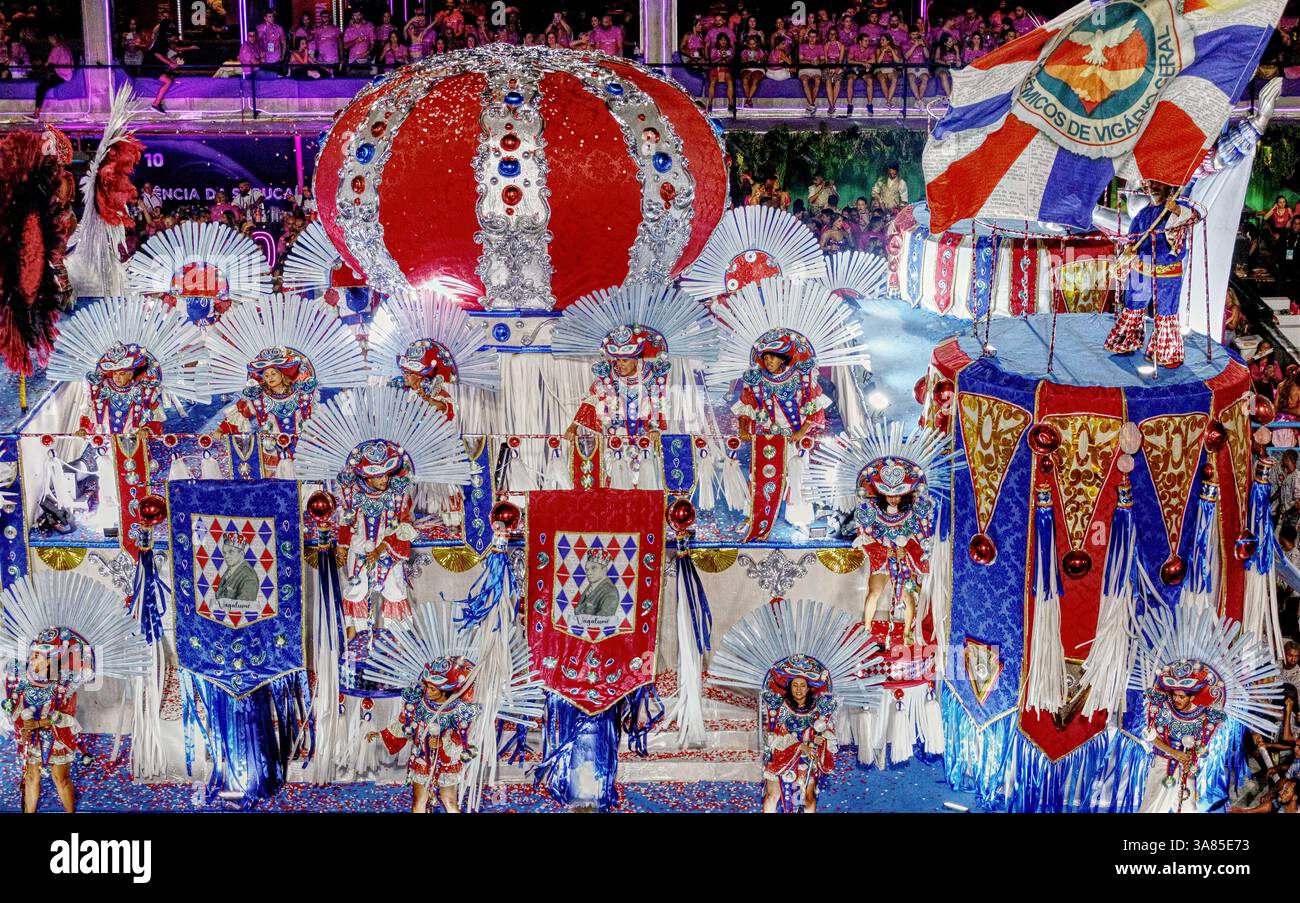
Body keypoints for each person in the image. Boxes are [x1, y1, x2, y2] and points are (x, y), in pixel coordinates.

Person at [367, 657, 478, 813]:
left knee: (449, 801)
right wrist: (380, 733)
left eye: (432, 689)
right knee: (419, 801)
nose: (427, 691)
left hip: (446, 764)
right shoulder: (420, 703)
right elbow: (404, 724)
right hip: (422, 761)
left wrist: (441, 744)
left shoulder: (458, 710)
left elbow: (462, 741)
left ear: (445, 691)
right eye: (427, 686)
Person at [1104, 180, 1195, 368]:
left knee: (1166, 312)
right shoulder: (1143, 214)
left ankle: (1167, 354)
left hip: (1167, 272)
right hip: (1142, 268)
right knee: (1133, 306)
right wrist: (1129, 248)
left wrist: (1176, 209)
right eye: (1151, 183)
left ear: (1169, 186)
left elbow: (1193, 216)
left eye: (1159, 184)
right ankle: (1126, 342)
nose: (1153, 187)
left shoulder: (1178, 206)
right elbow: (1132, 237)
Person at [337, 439, 418, 637]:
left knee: (395, 591)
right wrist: (342, 545)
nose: (385, 480)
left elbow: (404, 528)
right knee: (356, 591)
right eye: (380, 476)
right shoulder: (353, 495)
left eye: (387, 474)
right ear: (367, 477)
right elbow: (346, 521)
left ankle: (399, 640)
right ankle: (352, 638)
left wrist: (381, 549)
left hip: (388, 552)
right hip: (359, 551)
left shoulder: (397, 496)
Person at [4, 632, 83, 812]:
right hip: (33, 738)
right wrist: (13, 712)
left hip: (58, 738)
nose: (31, 660)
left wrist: (38, 724)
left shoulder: (63, 685)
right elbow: (16, 710)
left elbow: (66, 718)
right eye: (31, 655)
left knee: (60, 778)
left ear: (48, 661)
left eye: (36, 656)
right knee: (32, 777)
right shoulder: (24, 681)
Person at [761, 667, 836, 813]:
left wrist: (821, 740)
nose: (799, 689)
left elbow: (826, 732)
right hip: (781, 758)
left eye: (803, 686)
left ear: (808, 688)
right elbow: (774, 735)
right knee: (772, 795)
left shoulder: (817, 710)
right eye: (795, 685)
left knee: (808, 798)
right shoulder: (781, 708)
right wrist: (800, 746)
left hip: (805, 761)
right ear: (790, 687)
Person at [734, 336, 828, 442]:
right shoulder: (757, 379)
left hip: (795, 439)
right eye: (765, 358)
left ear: (782, 359)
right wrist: (742, 429)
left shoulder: (799, 376)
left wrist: (801, 432)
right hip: (768, 440)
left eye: (772, 357)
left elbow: (814, 408)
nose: (768, 362)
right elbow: (747, 406)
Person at [143, 17, 180, 113]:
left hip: (153, 66)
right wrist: (169, 63)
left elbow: (161, 54)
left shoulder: (163, 40)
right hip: (150, 67)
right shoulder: (161, 41)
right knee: (168, 81)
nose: (176, 39)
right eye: (174, 36)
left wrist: (170, 61)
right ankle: (156, 104)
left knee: (170, 77)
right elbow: (157, 54)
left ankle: (158, 103)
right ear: (169, 35)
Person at [32, 32, 73, 119]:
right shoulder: (64, 47)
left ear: (54, 38)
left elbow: (49, 63)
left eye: (50, 38)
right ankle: (36, 113)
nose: (49, 40)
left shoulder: (57, 49)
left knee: (41, 88)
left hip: (62, 75)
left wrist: (40, 64)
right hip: (66, 73)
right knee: (43, 83)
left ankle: (36, 114)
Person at [213, 534, 258, 603]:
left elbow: (245, 606)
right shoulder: (230, 570)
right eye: (224, 553)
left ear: (242, 554)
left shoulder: (249, 576)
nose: (226, 556)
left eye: (231, 552)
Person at [796, 25, 825, 116]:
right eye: (810, 37)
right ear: (807, 37)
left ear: (817, 38)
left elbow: (823, 59)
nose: (812, 39)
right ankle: (812, 105)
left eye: (814, 37)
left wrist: (819, 62)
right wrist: (810, 61)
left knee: (817, 80)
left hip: (816, 69)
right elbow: (801, 60)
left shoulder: (820, 47)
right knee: (805, 80)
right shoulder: (802, 46)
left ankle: (811, 107)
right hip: (804, 69)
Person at [845, 32, 875, 115]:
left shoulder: (870, 49)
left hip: (864, 70)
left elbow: (873, 60)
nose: (867, 43)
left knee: (870, 80)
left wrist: (862, 64)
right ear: (860, 42)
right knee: (850, 79)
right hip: (854, 68)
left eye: (868, 41)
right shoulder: (853, 47)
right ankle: (850, 105)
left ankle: (869, 105)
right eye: (865, 41)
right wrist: (862, 63)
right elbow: (849, 60)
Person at [706, 32, 735, 114]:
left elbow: (729, 62)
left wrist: (725, 58)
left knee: (730, 80)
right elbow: (712, 61)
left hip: (725, 70)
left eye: (725, 40)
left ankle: (730, 103)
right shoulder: (714, 50)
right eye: (721, 40)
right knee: (713, 82)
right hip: (715, 69)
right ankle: (710, 104)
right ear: (718, 41)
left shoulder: (730, 50)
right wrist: (721, 58)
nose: (723, 42)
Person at [737, 34, 766, 108]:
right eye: (750, 44)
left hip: (758, 68)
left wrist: (759, 61)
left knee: (755, 79)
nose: (752, 45)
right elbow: (742, 61)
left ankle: (748, 99)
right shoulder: (744, 52)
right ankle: (748, 100)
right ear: (747, 44)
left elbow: (762, 61)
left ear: (756, 44)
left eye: (754, 44)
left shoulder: (760, 51)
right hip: (747, 68)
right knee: (744, 79)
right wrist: (746, 61)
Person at [823, 27, 847, 116]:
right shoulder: (826, 45)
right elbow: (826, 60)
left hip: (838, 66)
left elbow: (840, 60)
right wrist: (829, 69)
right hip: (828, 66)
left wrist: (836, 68)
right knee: (828, 80)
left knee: (837, 81)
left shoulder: (841, 45)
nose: (832, 36)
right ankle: (832, 105)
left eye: (834, 34)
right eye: (830, 34)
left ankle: (832, 105)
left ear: (836, 35)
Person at [875, 34, 902, 108]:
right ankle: (889, 101)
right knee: (882, 79)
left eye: (883, 40)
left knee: (894, 79)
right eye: (881, 39)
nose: (881, 41)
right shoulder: (878, 49)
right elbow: (878, 62)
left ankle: (888, 101)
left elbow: (897, 61)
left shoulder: (895, 49)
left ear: (888, 41)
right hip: (881, 68)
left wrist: (892, 51)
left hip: (891, 68)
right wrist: (883, 51)